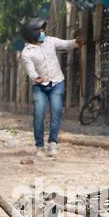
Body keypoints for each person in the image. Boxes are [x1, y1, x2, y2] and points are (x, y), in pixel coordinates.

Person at [18, 17, 82, 159]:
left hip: (57, 82)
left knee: (56, 112)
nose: (43, 32)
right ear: (32, 33)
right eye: (40, 30)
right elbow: (30, 70)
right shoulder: (26, 52)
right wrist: (36, 78)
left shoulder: (50, 41)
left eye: (43, 30)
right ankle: (39, 146)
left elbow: (66, 44)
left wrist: (76, 42)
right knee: (39, 115)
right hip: (40, 87)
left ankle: (53, 142)